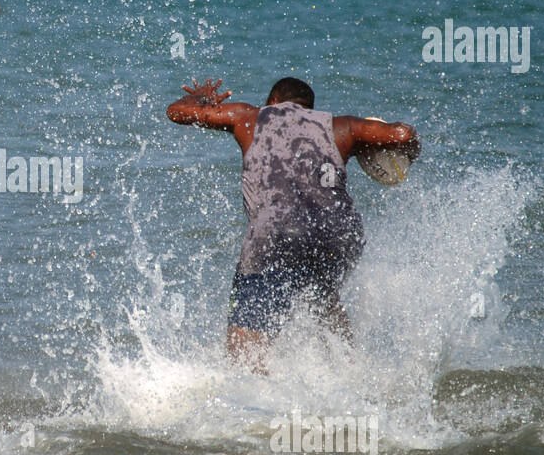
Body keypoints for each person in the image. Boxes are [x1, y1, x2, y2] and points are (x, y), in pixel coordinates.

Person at [166, 76, 420, 369]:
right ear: (310, 109)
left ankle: (252, 397)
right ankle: (351, 373)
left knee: (244, 352)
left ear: (272, 102)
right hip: (337, 236)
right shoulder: (341, 127)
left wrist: (199, 101)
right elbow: (401, 135)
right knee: (323, 295)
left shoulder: (249, 117)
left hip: (273, 237)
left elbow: (177, 112)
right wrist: (409, 153)